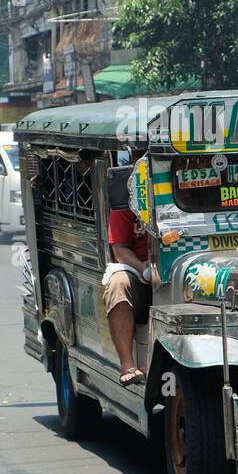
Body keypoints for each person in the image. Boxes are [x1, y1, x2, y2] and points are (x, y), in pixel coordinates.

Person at [104, 161, 151, 388]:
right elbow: (119, 248)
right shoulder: (127, 193)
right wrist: (144, 269)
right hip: (141, 272)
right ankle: (127, 363)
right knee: (117, 283)